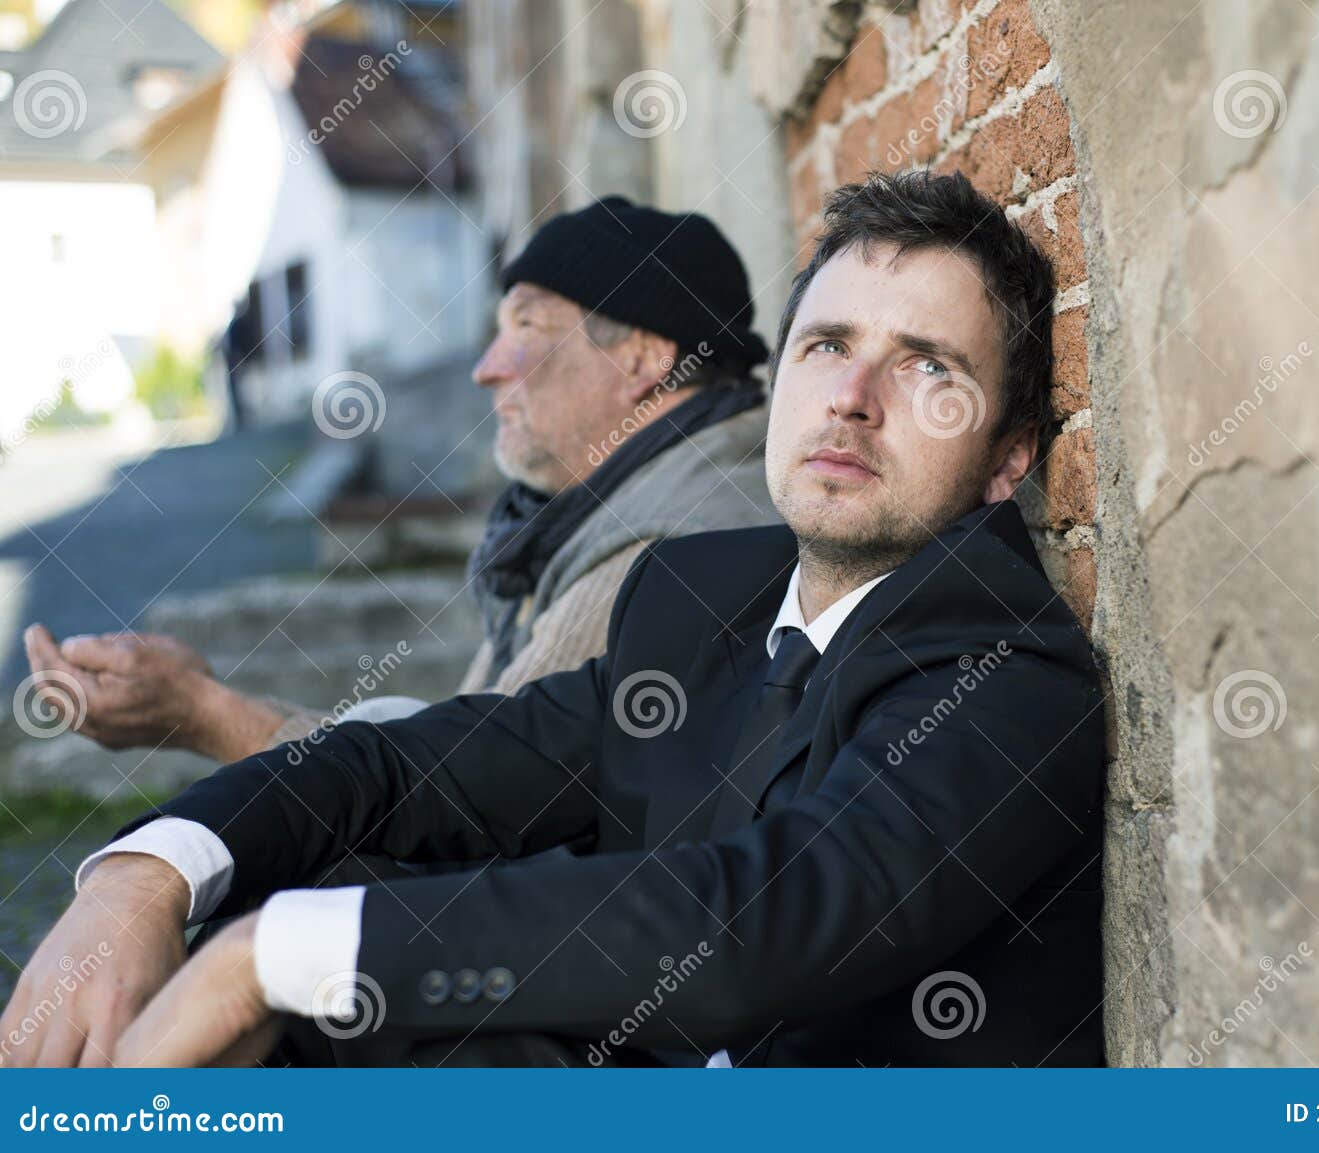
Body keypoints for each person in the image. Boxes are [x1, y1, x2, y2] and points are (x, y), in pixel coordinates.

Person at [0, 170, 1105, 1069]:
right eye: (826, 345)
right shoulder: (703, 597)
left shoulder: (1011, 677)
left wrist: (262, 956)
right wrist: (148, 874)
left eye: (926, 368)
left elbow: (750, 928)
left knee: (315, 961)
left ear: (1007, 462)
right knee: (329, 918)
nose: (853, 396)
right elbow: (415, 770)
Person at [21, 196, 777, 761]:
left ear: (642, 360)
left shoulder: (668, 541)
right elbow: (465, 739)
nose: (486, 367)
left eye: (525, 327)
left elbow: (468, 788)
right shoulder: (606, 512)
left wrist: (204, 713)